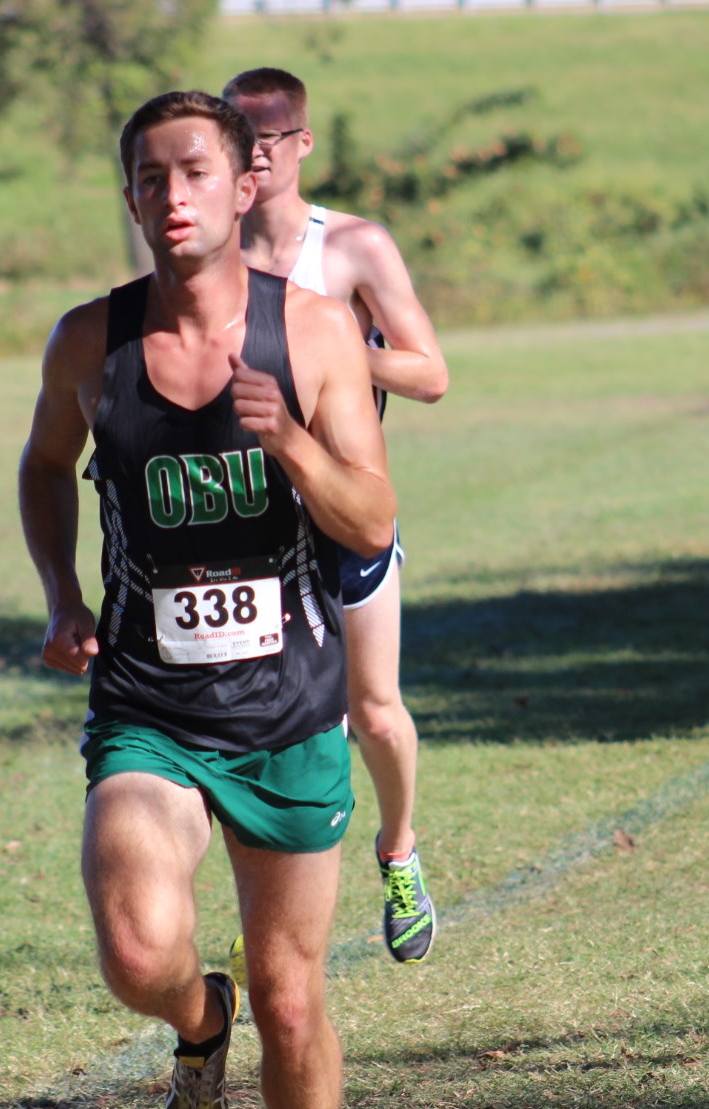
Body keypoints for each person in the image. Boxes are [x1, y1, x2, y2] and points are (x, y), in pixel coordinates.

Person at [17, 92, 393, 1109]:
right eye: (147, 177)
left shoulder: (319, 333)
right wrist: (63, 596)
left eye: (194, 172)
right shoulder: (92, 341)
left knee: (295, 996)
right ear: (128, 198)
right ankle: (193, 1018)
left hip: (289, 708)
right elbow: (43, 464)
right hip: (151, 705)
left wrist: (287, 439)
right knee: (138, 946)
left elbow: (374, 515)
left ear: (245, 186)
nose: (171, 195)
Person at [223, 66, 448, 963]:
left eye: (273, 137)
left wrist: (341, 355)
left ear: (303, 144)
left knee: (375, 712)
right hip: (246, 531)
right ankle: (271, 911)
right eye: (241, 137)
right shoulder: (210, 251)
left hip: (348, 516)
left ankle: (399, 849)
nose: (258, 153)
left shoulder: (353, 246)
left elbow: (430, 372)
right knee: (263, 723)